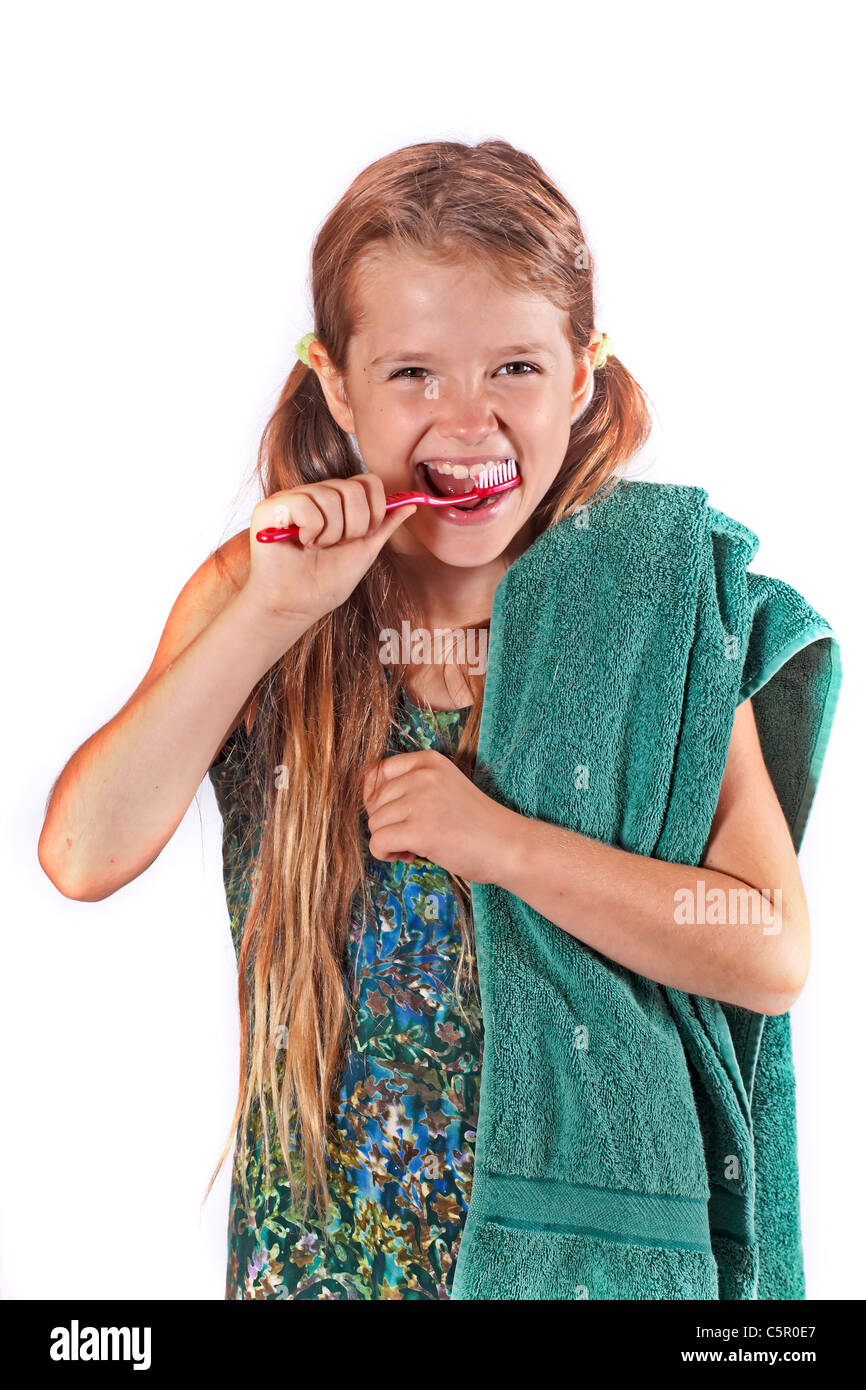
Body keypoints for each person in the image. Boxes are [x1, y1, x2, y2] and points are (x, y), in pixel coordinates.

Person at [37, 139, 812, 1300]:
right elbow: (82, 853)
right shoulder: (261, 588)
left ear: (582, 372)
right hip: (323, 1265)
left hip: (580, 1269)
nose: (467, 420)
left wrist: (496, 844)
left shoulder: (656, 613)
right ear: (334, 383)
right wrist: (273, 610)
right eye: (411, 375)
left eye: (513, 367)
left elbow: (767, 948)